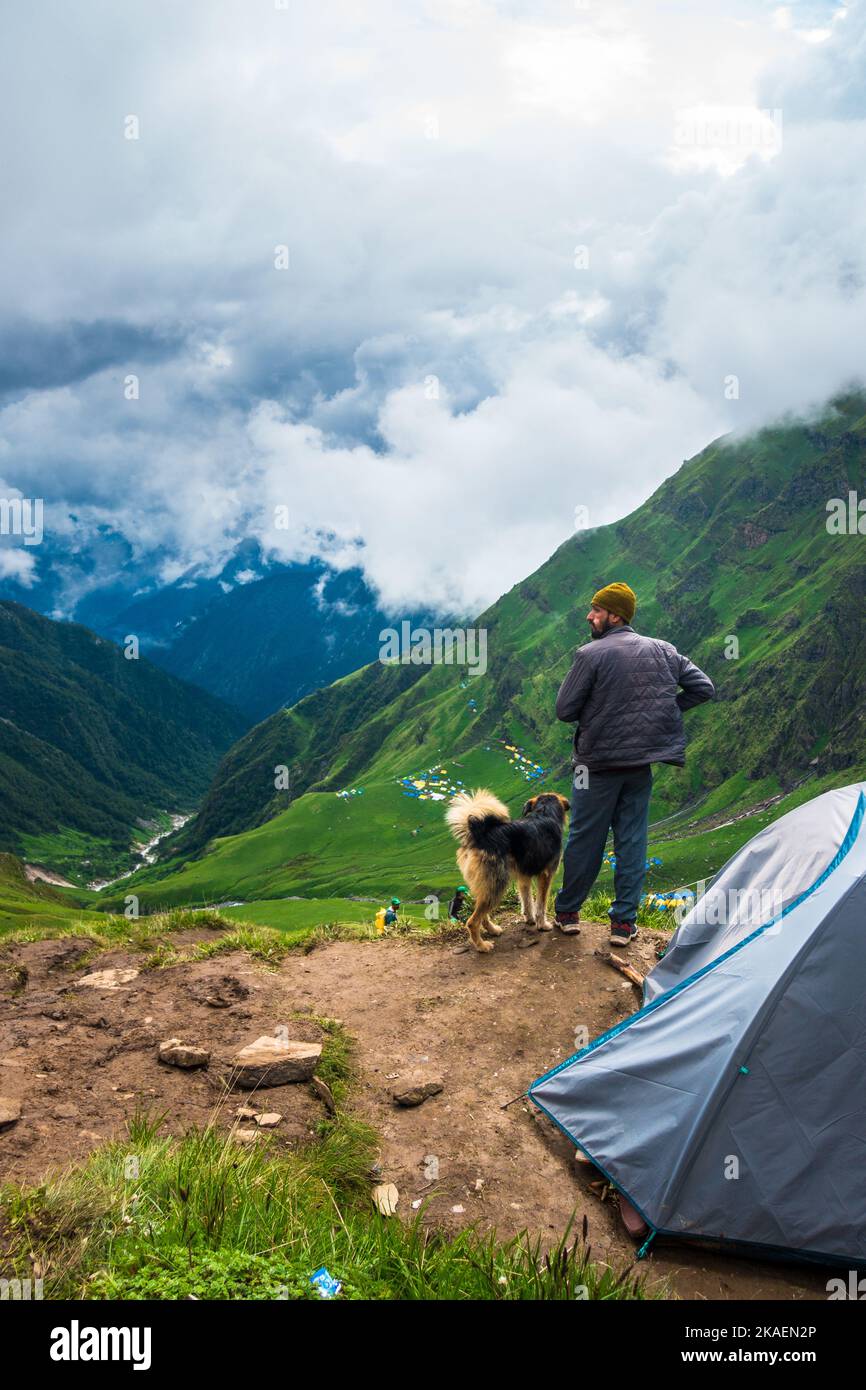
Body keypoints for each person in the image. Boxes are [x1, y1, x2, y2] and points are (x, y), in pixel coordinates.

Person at [553, 582, 714, 947]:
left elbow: (564, 711)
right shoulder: (664, 651)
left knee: (584, 839)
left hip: (592, 767)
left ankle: (567, 914)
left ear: (615, 615)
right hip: (640, 765)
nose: (589, 616)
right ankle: (623, 925)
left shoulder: (590, 655)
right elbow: (703, 687)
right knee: (632, 841)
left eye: (596, 610)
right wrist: (665, 711)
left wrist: (598, 713)